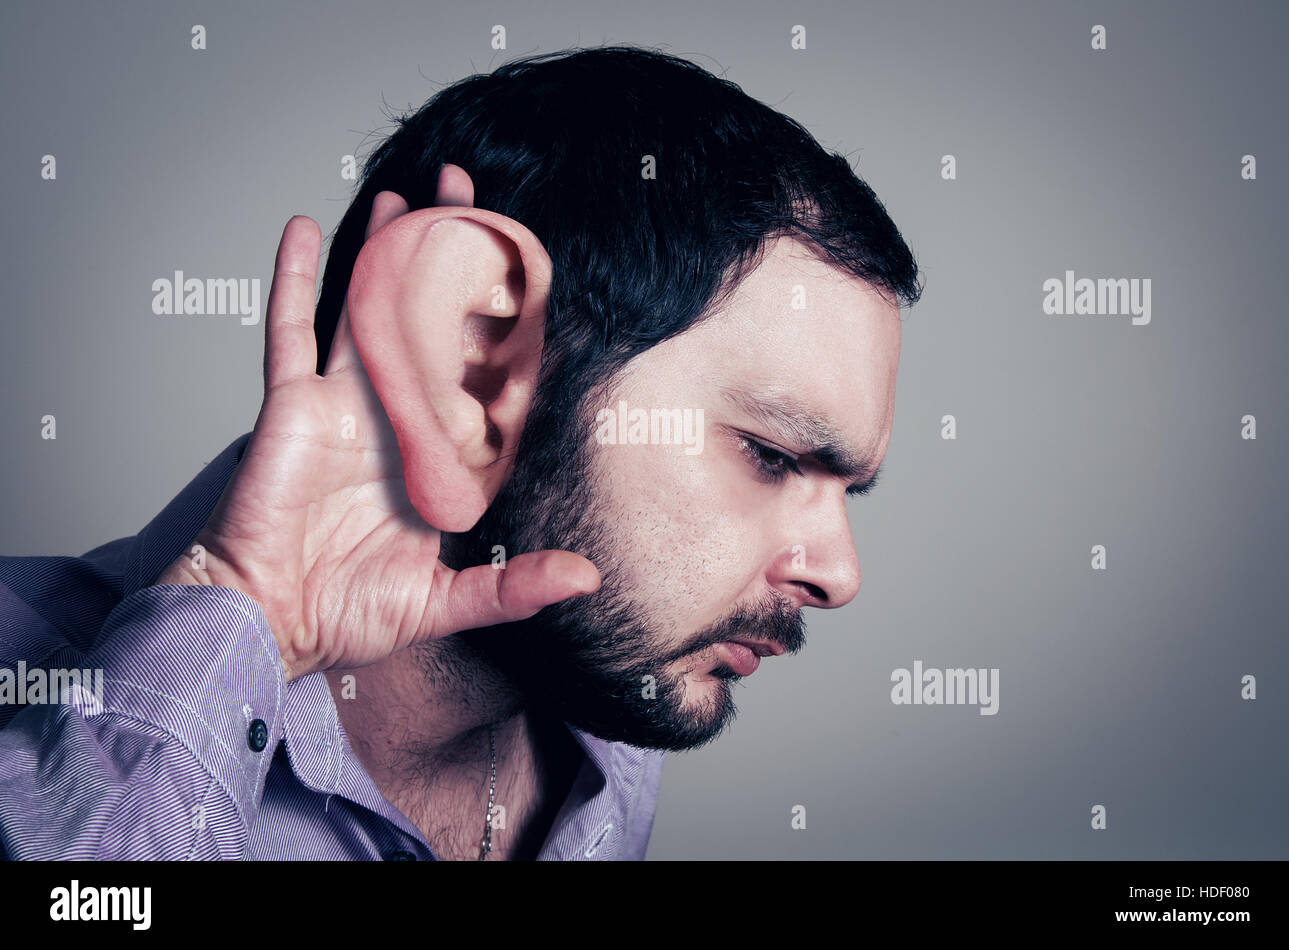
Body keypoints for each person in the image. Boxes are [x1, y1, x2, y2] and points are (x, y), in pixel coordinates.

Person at [0, 45, 922, 860]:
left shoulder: (610, 730)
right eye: (768, 454)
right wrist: (236, 615)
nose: (839, 573)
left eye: (850, 491)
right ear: (474, 370)